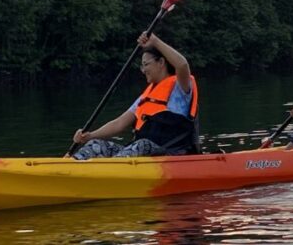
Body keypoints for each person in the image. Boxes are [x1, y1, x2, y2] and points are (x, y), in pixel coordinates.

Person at [71, 32, 200, 160]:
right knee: (96, 145)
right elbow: (119, 124)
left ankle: (111, 171)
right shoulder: (145, 98)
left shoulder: (181, 88)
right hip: (140, 154)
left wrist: (155, 41)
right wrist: (90, 136)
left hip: (171, 154)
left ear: (161, 62)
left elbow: (182, 65)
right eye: (142, 66)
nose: (143, 70)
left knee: (142, 144)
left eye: (146, 64)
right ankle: (72, 166)